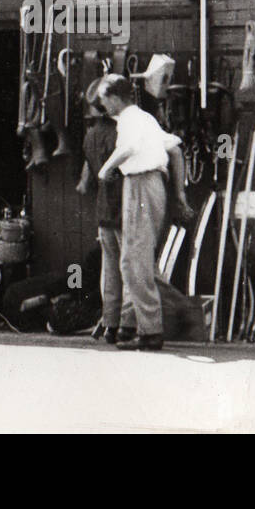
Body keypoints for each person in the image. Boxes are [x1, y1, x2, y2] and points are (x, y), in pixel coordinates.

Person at [96, 74, 191, 351]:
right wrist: (179, 194)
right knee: (135, 259)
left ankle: (151, 332)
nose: (103, 106)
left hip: (140, 183)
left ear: (115, 97)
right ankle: (152, 320)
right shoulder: (146, 119)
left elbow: (129, 148)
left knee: (134, 260)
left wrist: (105, 169)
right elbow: (175, 150)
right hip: (151, 185)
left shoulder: (129, 119)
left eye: (104, 99)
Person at [74, 79, 125, 345]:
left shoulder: (90, 136)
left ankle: (110, 324)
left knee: (110, 271)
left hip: (103, 209)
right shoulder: (120, 133)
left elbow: (90, 179)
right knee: (130, 269)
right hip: (123, 208)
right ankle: (129, 324)